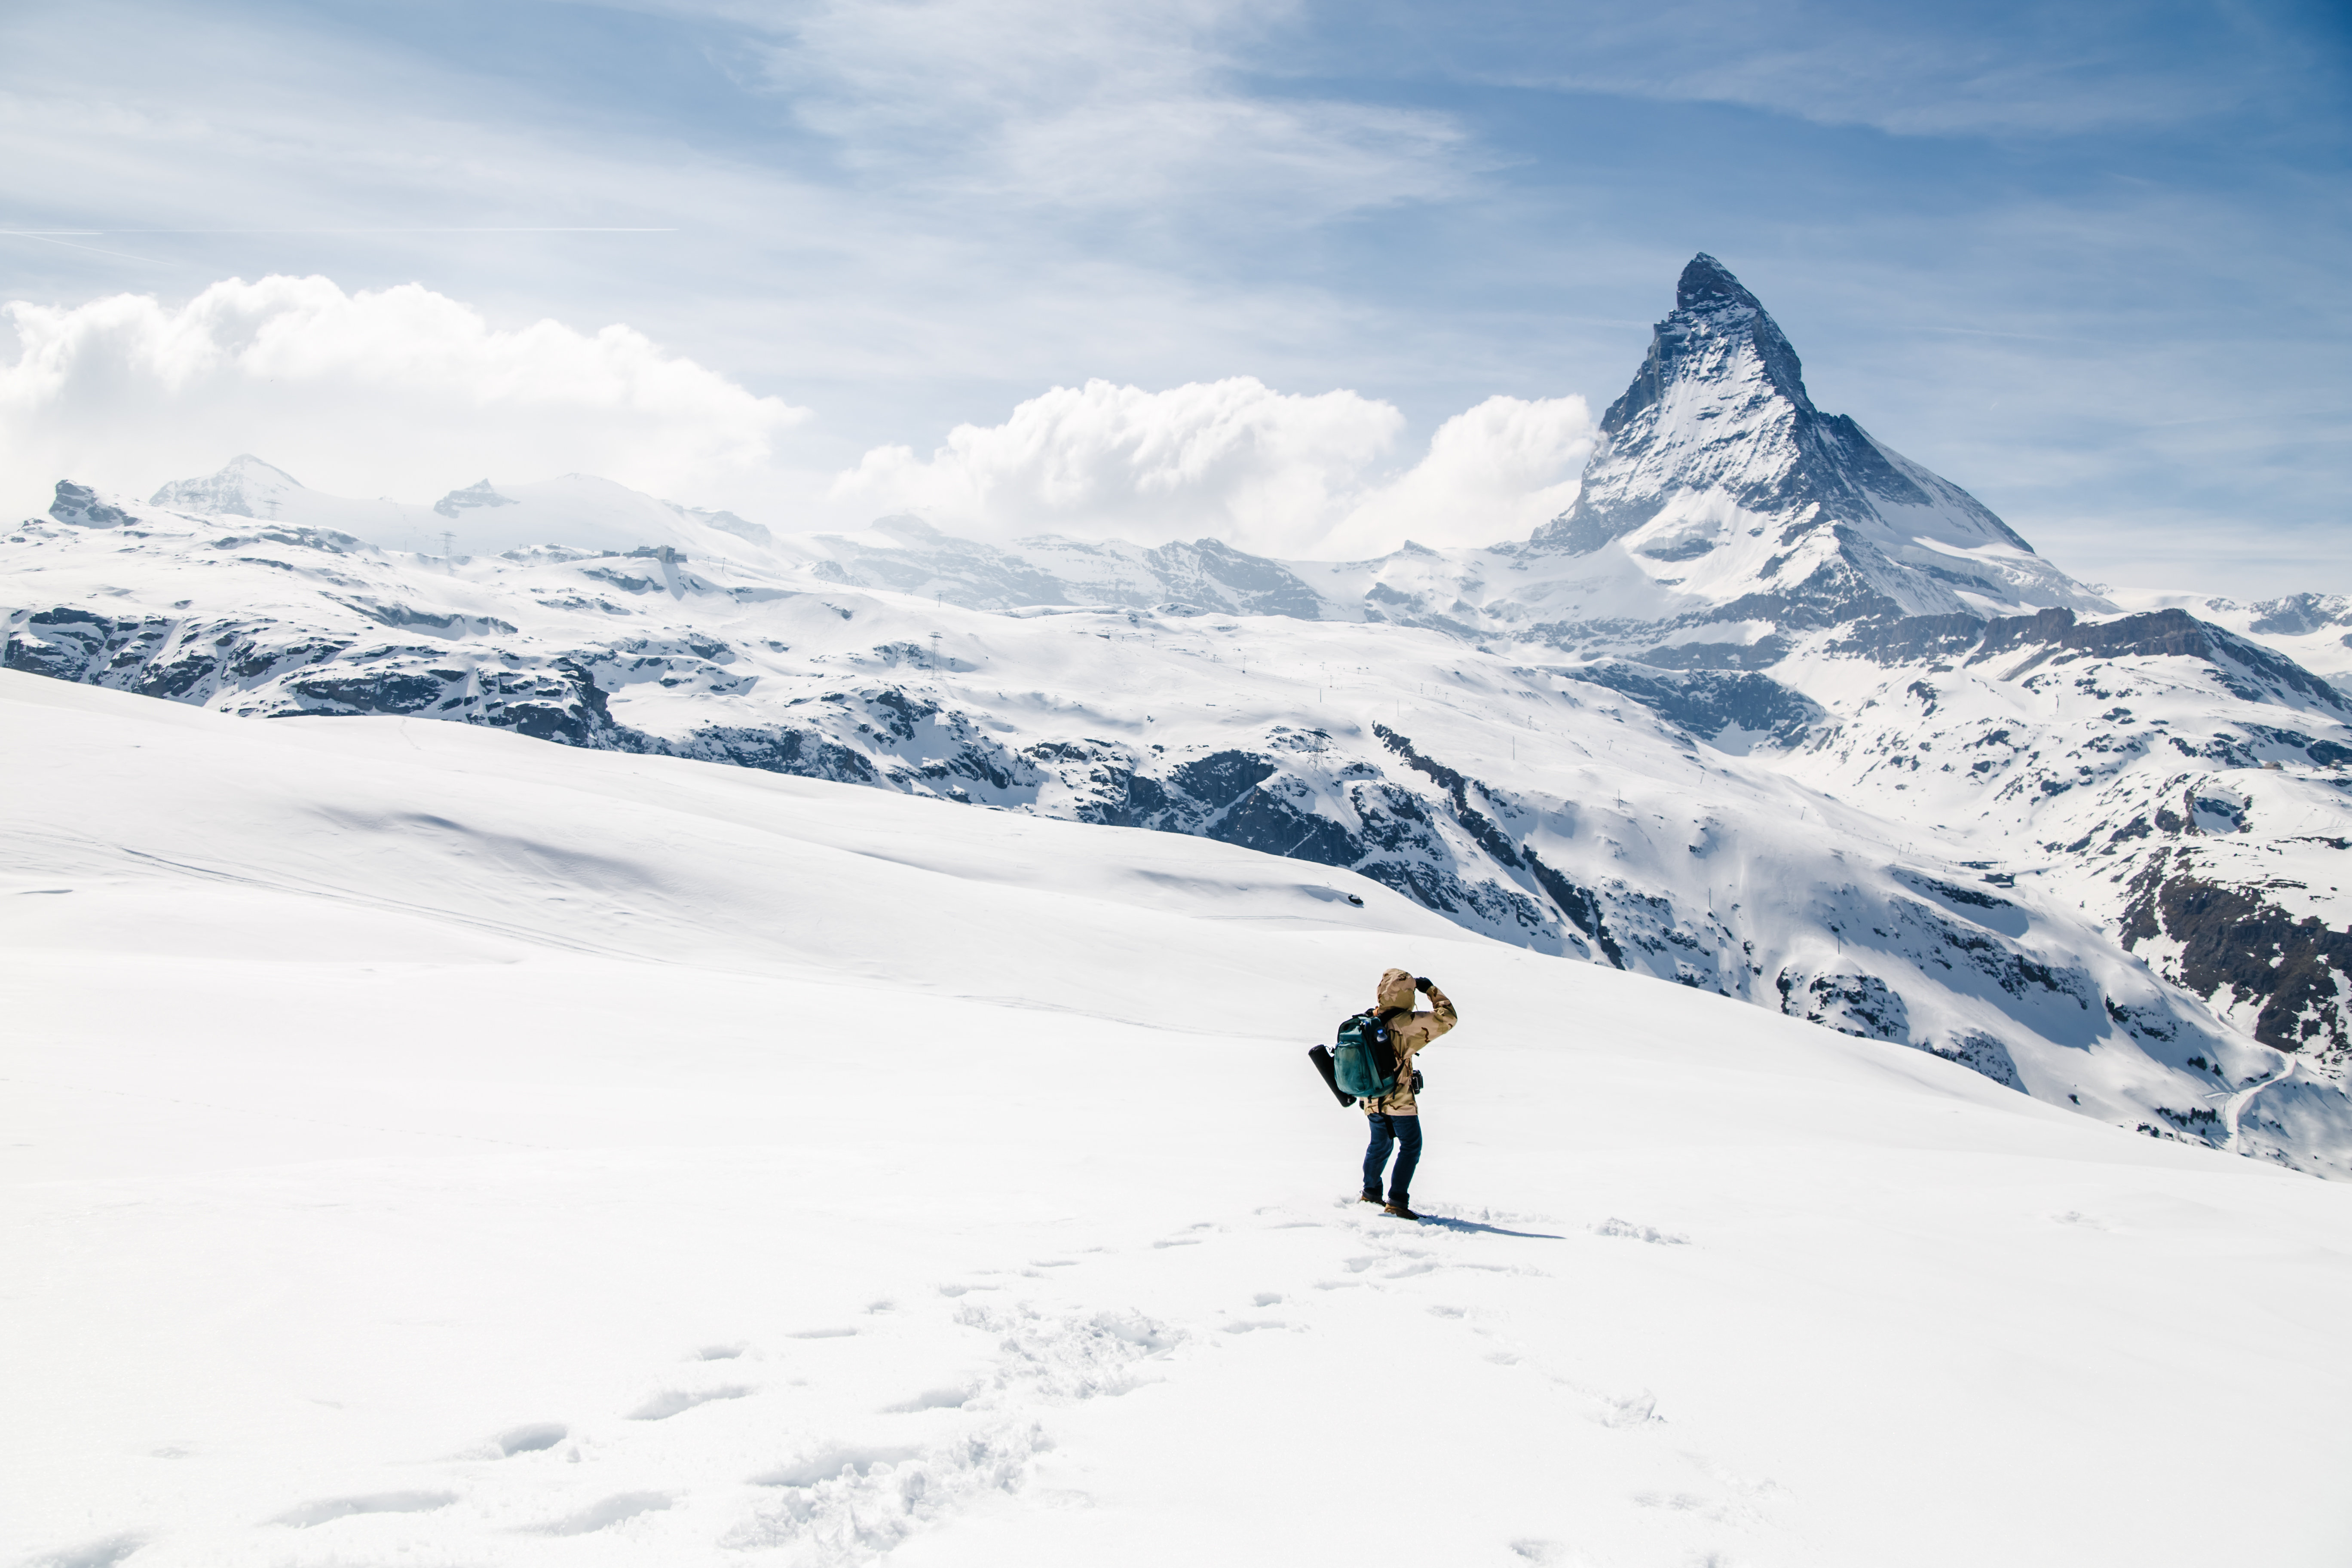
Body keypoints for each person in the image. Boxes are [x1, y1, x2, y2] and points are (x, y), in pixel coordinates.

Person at [1359, 968, 1456, 1220]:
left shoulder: (1369, 1020)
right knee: (1411, 1146)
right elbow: (1448, 1018)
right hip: (1400, 1101)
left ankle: (1370, 1193)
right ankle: (1397, 1202)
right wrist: (1431, 991)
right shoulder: (1406, 1023)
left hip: (1372, 1098)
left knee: (1379, 1145)